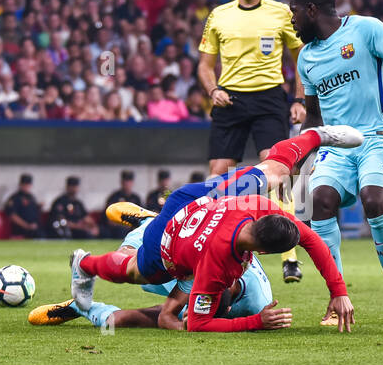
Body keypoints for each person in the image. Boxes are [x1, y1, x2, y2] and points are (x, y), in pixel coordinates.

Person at [67, 125, 363, 332]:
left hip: (203, 199)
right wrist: (257, 323)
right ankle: (85, 263)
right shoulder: (216, 266)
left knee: (275, 172)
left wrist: (338, 291)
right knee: (132, 271)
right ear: (260, 252)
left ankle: (315, 136)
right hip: (168, 237)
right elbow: (199, 324)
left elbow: (311, 240)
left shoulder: (258, 207)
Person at [292, 0, 383, 325]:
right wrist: (300, 152)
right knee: (319, 202)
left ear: (311, 9)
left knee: (374, 200)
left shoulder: (366, 29)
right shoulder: (306, 58)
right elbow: (314, 114)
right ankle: (337, 299)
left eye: (293, 12)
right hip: (335, 146)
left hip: (379, 137)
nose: (291, 21)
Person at [197, 0, 307, 283]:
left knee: (279, 172)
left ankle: (290, 255)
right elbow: (204, 66)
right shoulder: (218, 15)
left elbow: (300, 57)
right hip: (230, 100)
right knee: (218, 174)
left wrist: (300, 98)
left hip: (269, 99)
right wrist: (212, 90)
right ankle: (211, 243)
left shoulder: (281, 13)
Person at [30, 206, 274, 331]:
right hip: (183, 250)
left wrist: (188, 323)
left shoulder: (254, 305)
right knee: (127, 262)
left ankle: (79, 307)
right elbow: (169, 315)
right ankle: (150, 221)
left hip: (196, 287)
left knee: (118, 322)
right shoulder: (218, 263)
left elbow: (170, 319)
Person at [102, 170, 143, 238]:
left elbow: (142, 216)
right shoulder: (114, 197)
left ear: (132, 182)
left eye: (129, 181)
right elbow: (108, 218)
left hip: (132, 227)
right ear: (121, 182)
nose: (127, 184)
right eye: (125, 181)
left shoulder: (136, 198)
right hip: (117, 227)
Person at [3, 173, 43, 238]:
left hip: (34, 231)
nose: (27, 186)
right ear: (20, 185)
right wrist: (27, 226)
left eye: (28, 184)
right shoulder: (15, 198)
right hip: (20, 231)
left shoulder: (31, 197)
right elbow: (12, 215)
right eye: (25, 184)